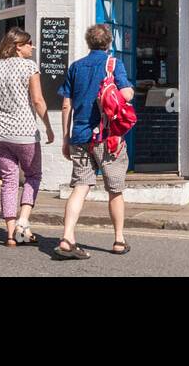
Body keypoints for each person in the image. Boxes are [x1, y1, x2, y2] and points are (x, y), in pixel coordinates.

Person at [56, 24, 134, 260]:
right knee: (115, 189)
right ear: (109, 43)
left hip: (79, 136)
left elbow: (66, 104)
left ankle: (67, 237)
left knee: (80, 187)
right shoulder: (113, 64)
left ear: (88, 42)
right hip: (107, 137)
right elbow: (127, 94)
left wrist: (66, 137)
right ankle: (119, 239)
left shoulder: (76, 67)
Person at [0, 28, 54, 247]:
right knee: (33, 175)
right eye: (29, 43)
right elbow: (38, 100)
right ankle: (23, 220)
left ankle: (12, 235)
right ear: (18, 46)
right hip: (23, 133)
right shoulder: (29, 67)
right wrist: (49, 127)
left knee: (9, 181)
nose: (32, 47)